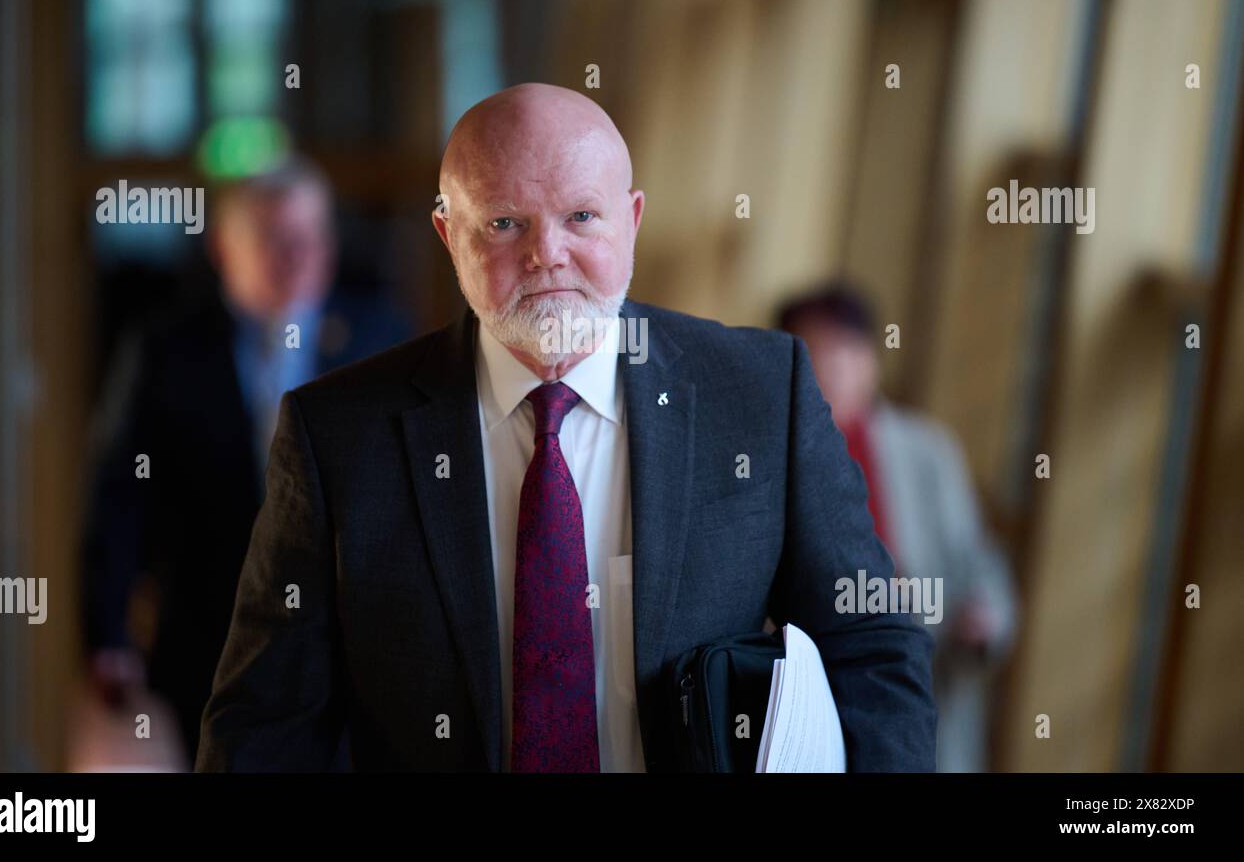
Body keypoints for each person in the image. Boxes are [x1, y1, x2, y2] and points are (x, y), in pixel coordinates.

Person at [196, 84, 936, 772]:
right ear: (449, 235)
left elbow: (871, 645)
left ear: (633, 220)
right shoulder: (339, 436)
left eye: (581, 216)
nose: (547, 253)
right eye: (504, 222)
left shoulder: (759, 394)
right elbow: (265, 723)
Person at [81, 158, 412, 765]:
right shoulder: (167, 349)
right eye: (274, 239)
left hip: (354, 636)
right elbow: (120, 491)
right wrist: (108, 633)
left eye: (312, 237)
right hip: (209, 630)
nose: (299, 257)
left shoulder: (382, 336)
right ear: (221, 248)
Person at [779, 284, 1018, 772]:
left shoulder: (925, 450)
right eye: (817, 351)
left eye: (849, 349)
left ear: (872, 358)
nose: (836, 366)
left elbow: (980, 566)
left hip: (924, 678)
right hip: (803, 688)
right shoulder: (769, 449)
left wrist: (986, 618)